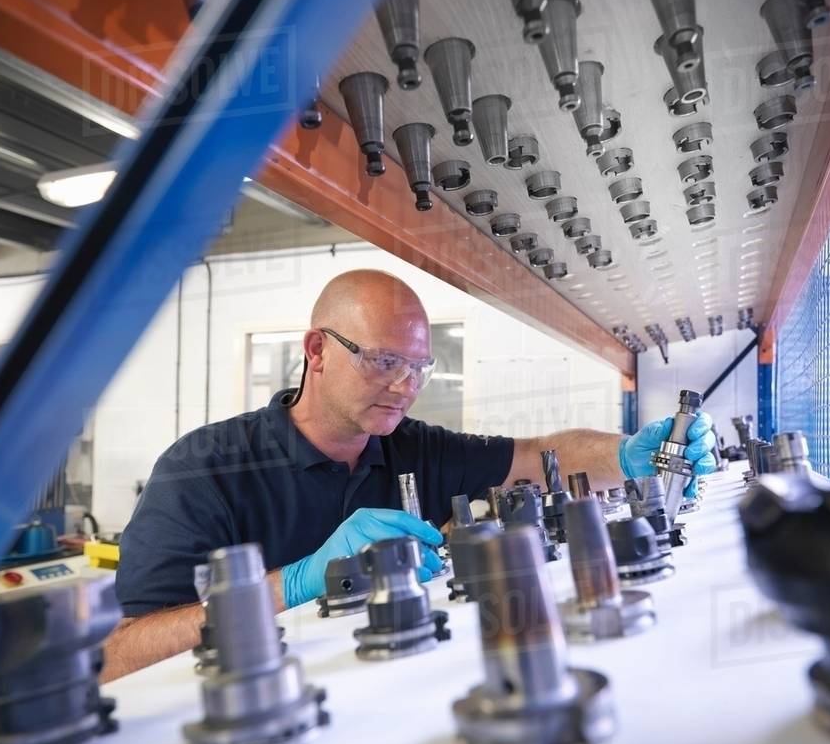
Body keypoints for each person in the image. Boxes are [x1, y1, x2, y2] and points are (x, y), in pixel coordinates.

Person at [102, 270, 715, 680]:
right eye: (384, 360)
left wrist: (630, 455)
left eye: (419, 367)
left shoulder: (412, 445)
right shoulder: (202, 469)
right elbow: (119, 654)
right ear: (316, 350)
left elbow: (540, 455)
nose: (405, 386)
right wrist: (297, 582)